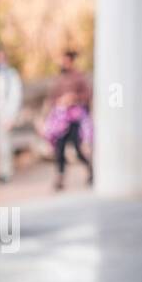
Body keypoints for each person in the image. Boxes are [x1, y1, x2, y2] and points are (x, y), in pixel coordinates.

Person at [40, 50, 94, 190]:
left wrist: (73, 98)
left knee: (77, 147)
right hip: (60, 120)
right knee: (60, 148)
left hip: (74, 118)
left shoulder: (79, 77)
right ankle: (60, 178)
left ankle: (90, 169)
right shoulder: (59, 79)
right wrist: (58, 103)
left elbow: (87, 95)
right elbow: (52, 98)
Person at [0, 50, 23, 183]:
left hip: (4, 115)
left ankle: (5, 172)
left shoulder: (11, 75)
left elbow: (15, 97)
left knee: (3, 145)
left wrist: (11, 116)